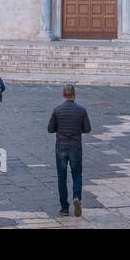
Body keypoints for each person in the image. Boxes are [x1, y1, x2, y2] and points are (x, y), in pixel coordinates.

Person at [47, 84, 91, 217]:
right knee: (77, 174)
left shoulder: (57, 110)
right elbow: (87, 128)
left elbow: (50, 129)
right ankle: (77, 197)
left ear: (63, 95)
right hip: (75, 146)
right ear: (74, 95)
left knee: (62, 177)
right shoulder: (81, 110)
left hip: (61, 146)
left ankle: (64, 208)